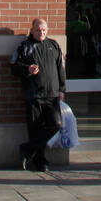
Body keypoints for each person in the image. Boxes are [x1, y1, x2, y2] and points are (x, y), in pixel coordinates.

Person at [10, 17, 66, 171]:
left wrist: (62, 89)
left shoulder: (53, 45)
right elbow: (14, 66)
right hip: (33, 95)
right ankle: (40, 161)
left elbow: (61, 68)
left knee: (56, 124)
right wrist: (27, 69)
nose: (41, 32)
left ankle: (27, 149)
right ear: (32, 30)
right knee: (35, 129)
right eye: (38, 30)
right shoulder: (24, 47)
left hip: (52, 95)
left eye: (44, 30)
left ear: (47, 31)